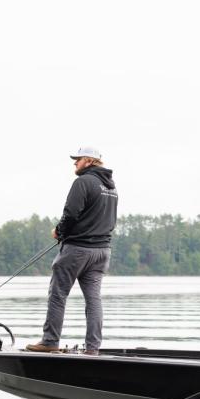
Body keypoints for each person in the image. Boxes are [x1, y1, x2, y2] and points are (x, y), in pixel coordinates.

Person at [27, 146, 118, 354]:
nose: (75, 163)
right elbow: (110, 221)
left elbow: (70, 213)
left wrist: (58, 231)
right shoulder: (112, 188)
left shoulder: (83, 182)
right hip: (102, 252)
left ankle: (50, 341)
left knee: (57, 294)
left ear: (89, 160)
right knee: (93, 299)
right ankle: (93, 348)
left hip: (77, 250)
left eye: (78, 159)